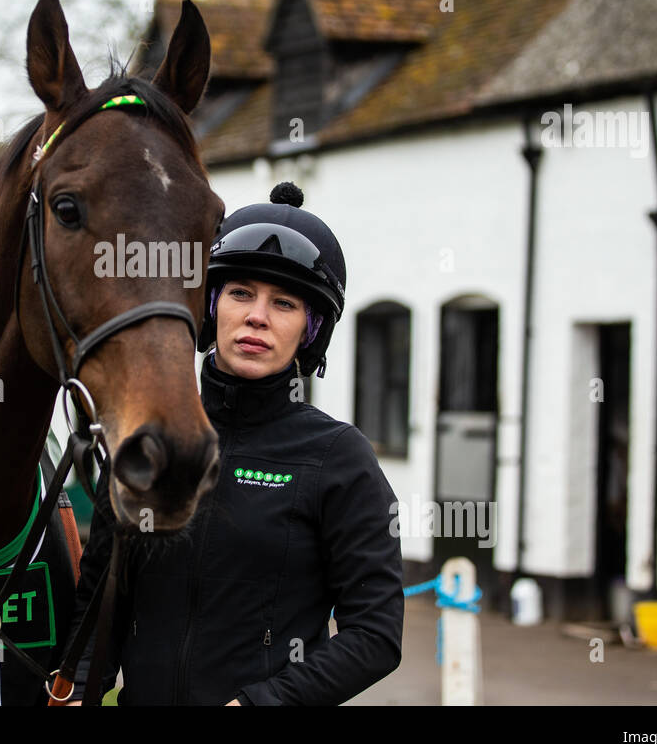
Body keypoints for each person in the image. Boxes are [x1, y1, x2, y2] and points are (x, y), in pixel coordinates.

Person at [63, 182, 403, 705]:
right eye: (241, 293)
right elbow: (98, 609)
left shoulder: (339, 458)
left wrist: (260, 703)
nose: (257, 317)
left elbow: (376, 636)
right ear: (211, 307)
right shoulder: (144, 440)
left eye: (284, 303)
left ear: (310, 331)